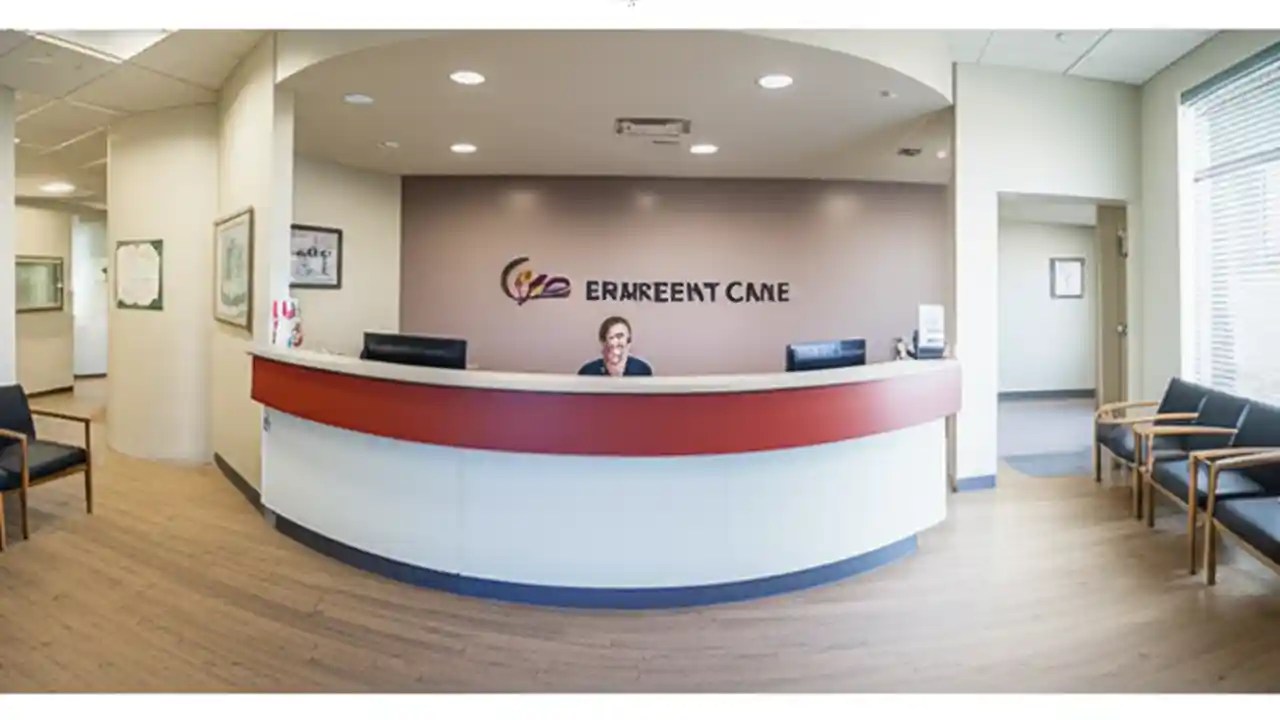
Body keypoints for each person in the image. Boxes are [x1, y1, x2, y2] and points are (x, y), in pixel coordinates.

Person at [578, 316, 653, 376]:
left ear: (629, 341)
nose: (616, 342)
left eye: (620, 336)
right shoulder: (588, 371)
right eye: (611, 337)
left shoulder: (641, 369)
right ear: (603, 342)